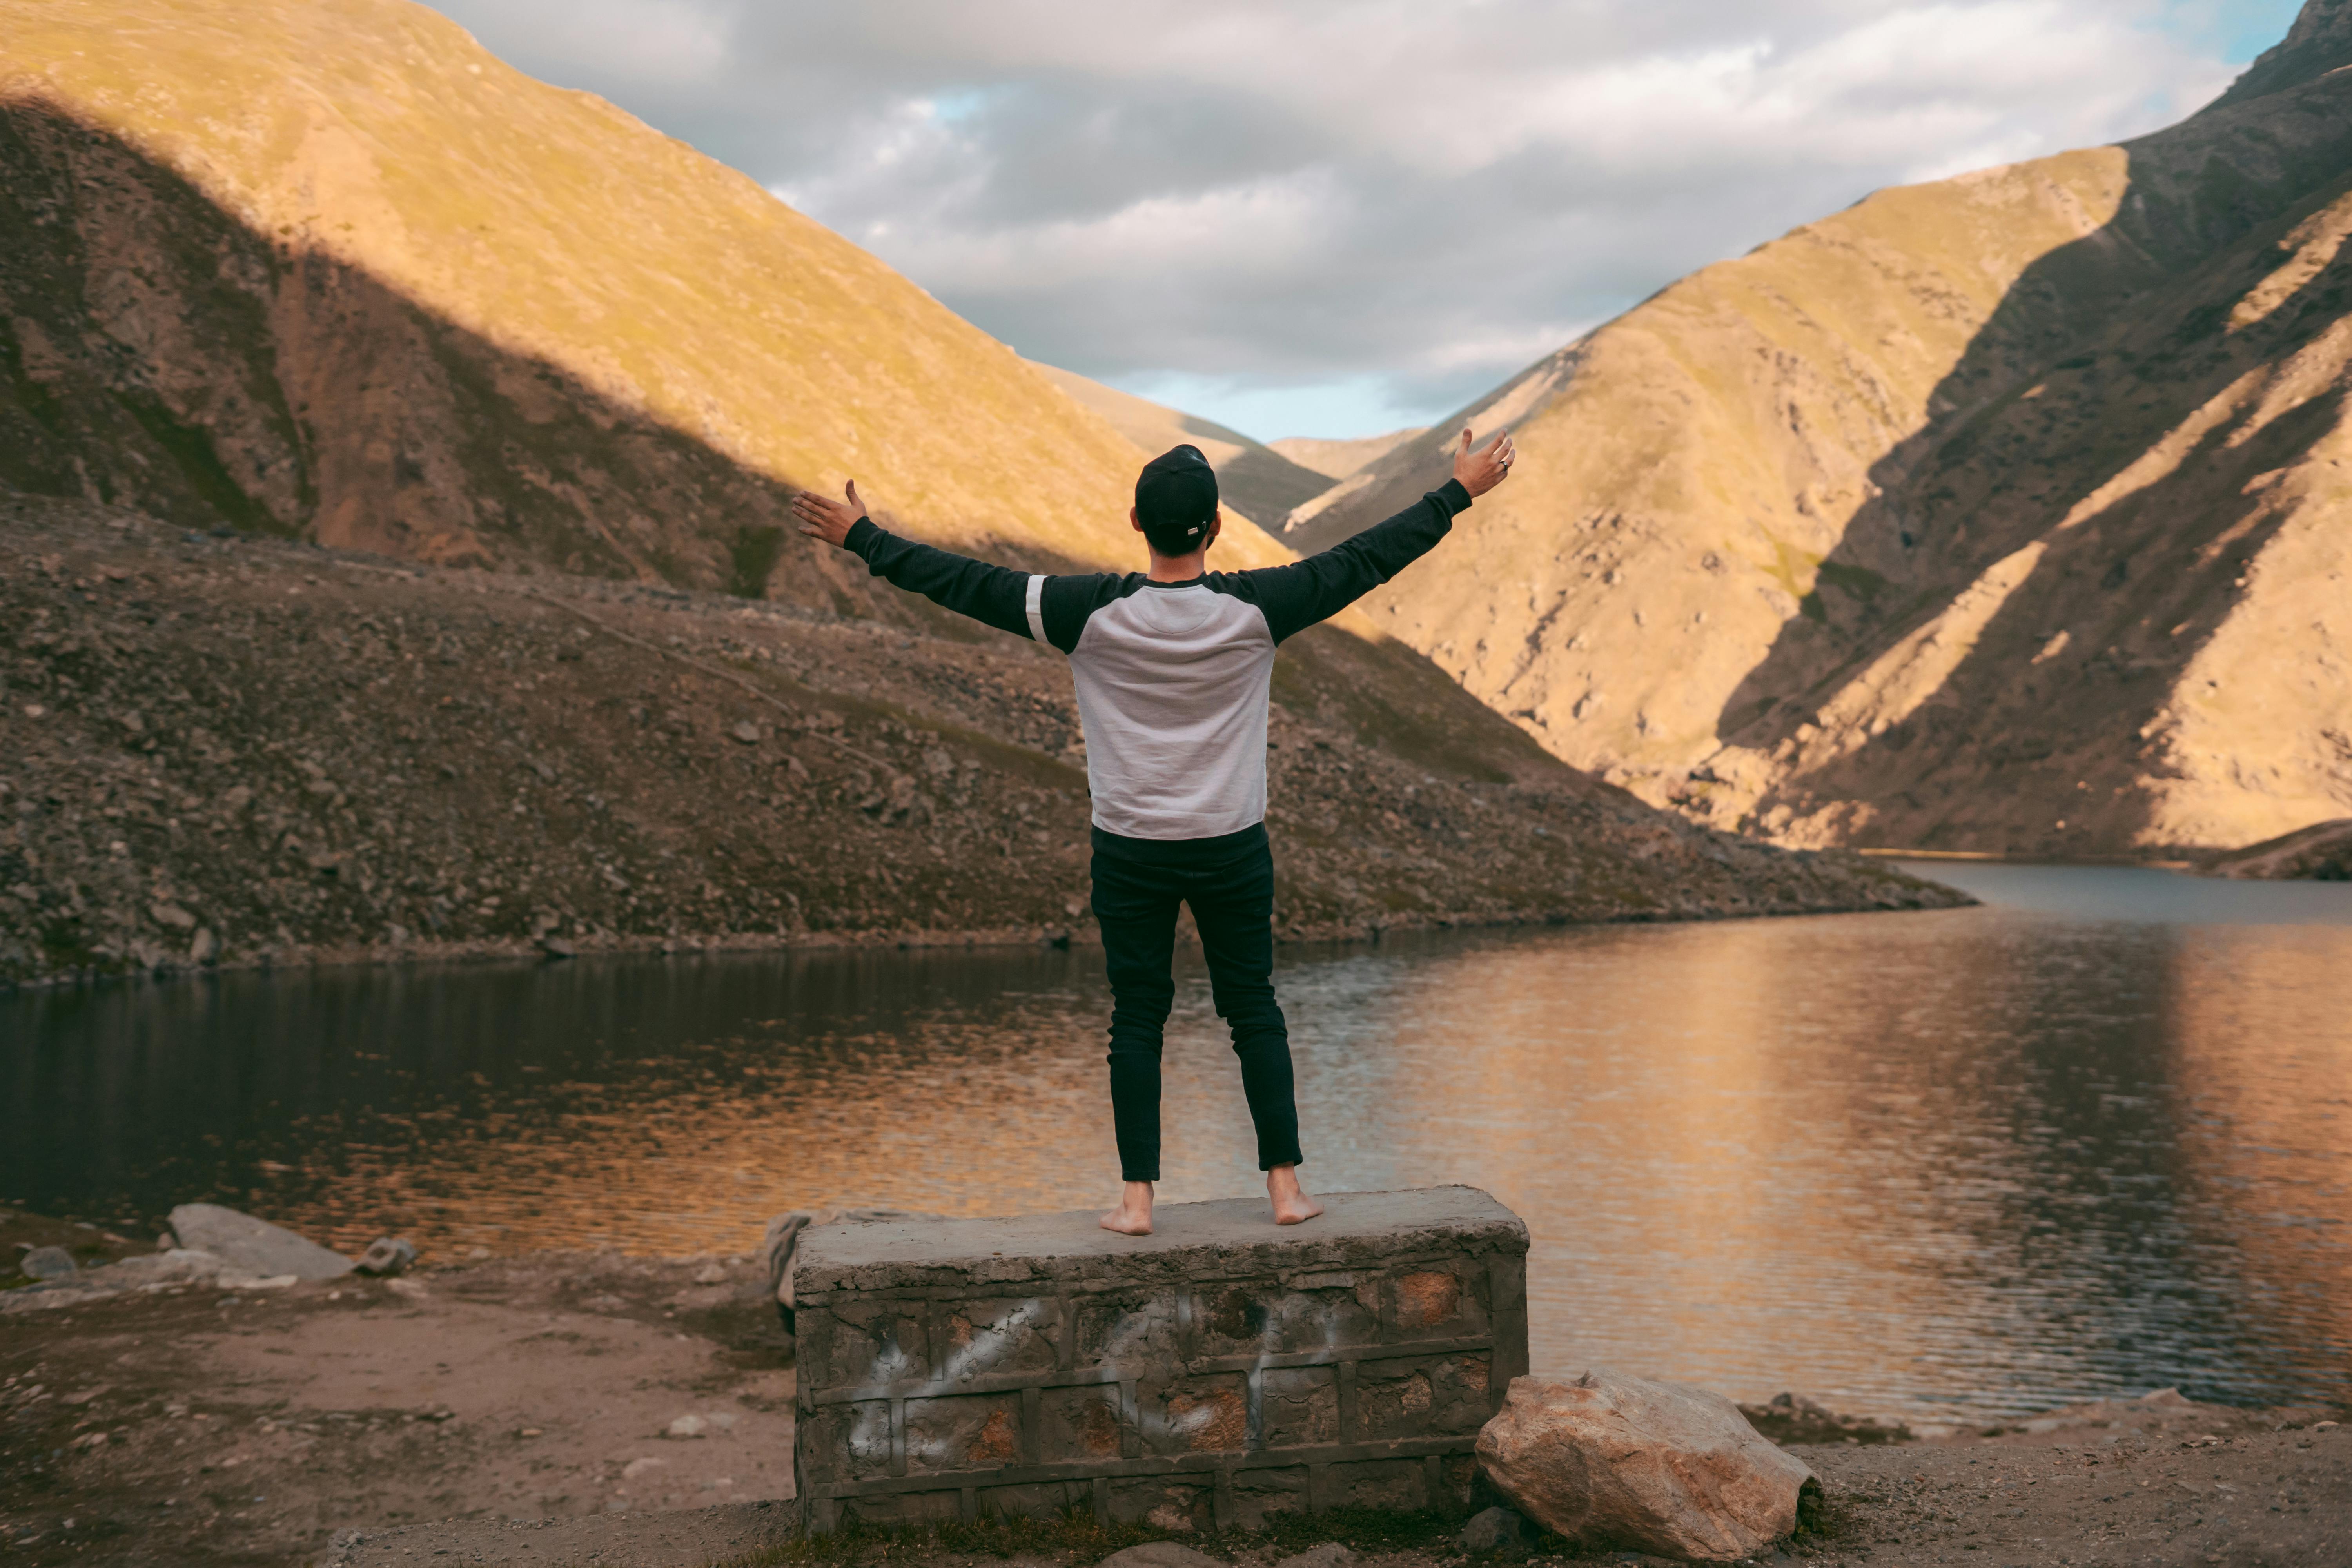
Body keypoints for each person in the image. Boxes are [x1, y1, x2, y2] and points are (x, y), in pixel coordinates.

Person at [791, 426, 1515, 1234]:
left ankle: (1137, 1201)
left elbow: (966, 583)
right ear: (1215, 529)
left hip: (1130, 847)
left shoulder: (1082, 611)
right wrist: (1458, 491)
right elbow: (1366, 558)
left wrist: (865, 538)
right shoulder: (1261, 607)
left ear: (1137, 522)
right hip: (1231, 844)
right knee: (1254, 1009)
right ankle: (1285, 1191)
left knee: (1137, 1016)